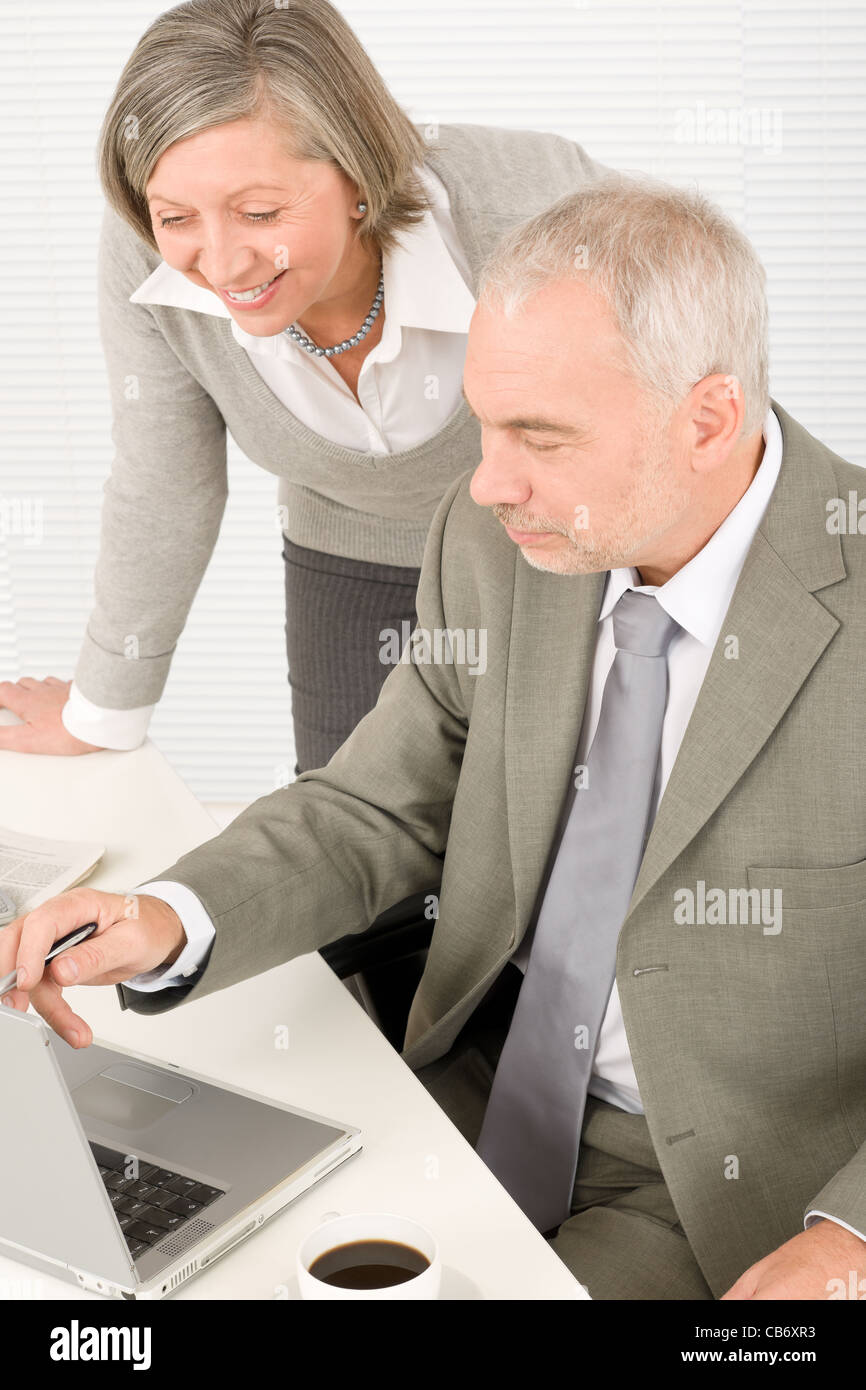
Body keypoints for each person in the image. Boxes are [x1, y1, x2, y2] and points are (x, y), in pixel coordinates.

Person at [4, 173, 865, 1301]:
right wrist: (164, 915)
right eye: (482, 421)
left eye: (538, 437)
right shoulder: (496, 536)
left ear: (705, 419)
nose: (488, 482)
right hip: (457, 1083)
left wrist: (845, 1241)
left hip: (701, 1189)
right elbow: (384, 799)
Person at [0, 0, 608, 775]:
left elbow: (699, 352)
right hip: (351, 544)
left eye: (258, 212)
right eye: (176, 215)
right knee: (353, 834)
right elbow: (163, 482)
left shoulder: (536, 213)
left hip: (573, 536)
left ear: (358, 171)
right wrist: (104, 708)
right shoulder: (145, 259)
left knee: (567, 827)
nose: (220, 265)